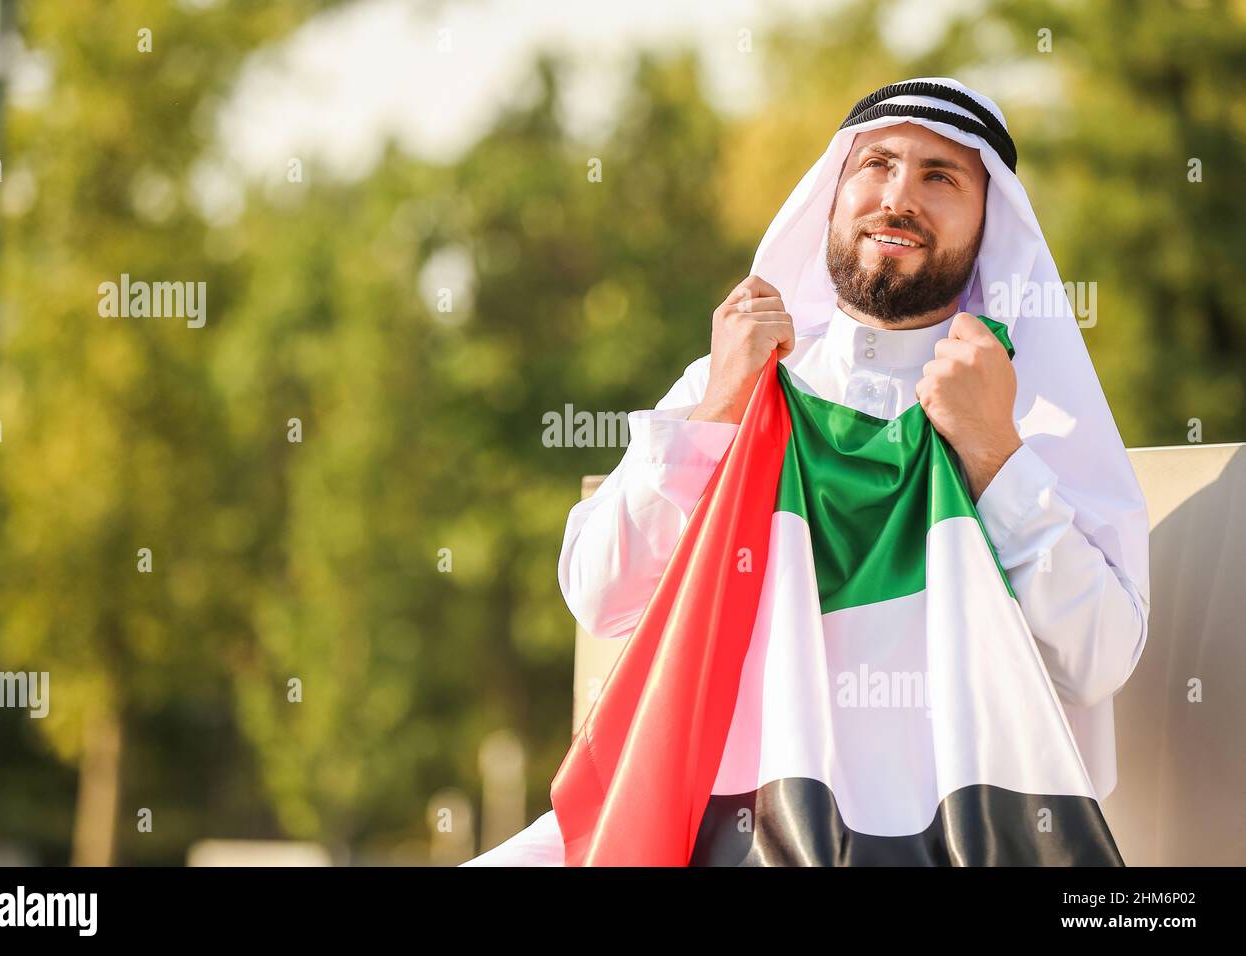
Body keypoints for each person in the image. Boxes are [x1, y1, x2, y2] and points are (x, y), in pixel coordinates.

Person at [462, 77, 1150, 867]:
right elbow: (601, 594)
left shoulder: (1033, 416)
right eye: (878, 165)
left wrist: (995, 454)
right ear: (832, 194)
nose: (899, 197)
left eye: (940, 176)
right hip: (715, 821)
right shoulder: (736, 382)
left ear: (992, 226)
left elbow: (1098, 658)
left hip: (958, 841)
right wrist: (719, 405)